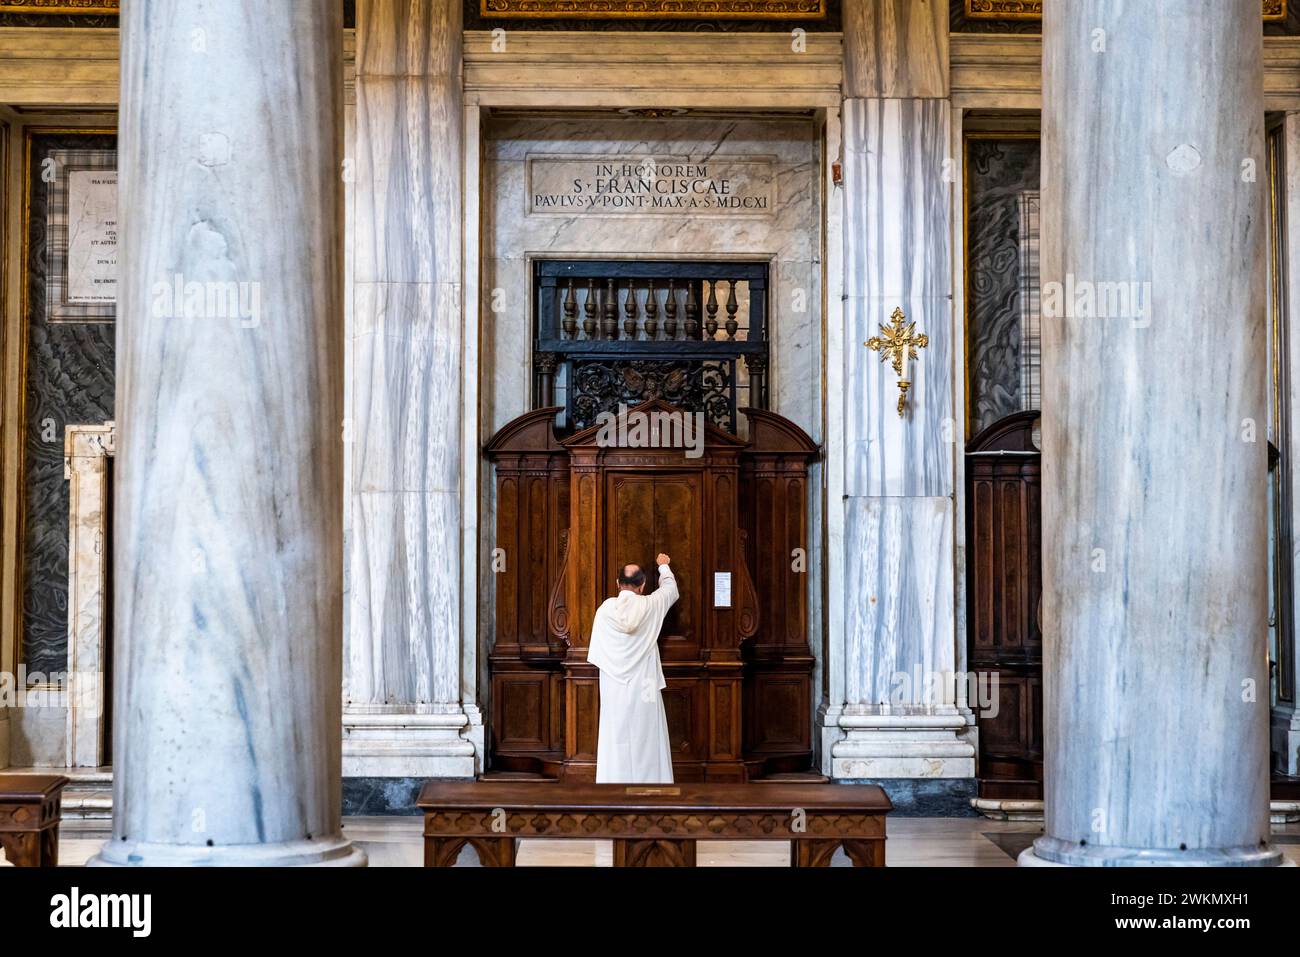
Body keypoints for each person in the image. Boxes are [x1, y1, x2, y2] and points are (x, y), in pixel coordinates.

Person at [587, 553, 678, 783]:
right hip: (644, 686)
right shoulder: (650, 604)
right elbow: (670, 590)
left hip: (614, 687)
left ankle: (613, 788)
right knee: (647, 737)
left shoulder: (605, 611)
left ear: (618, 584)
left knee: (615, 736)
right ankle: (651, 790)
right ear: (643, 585)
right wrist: (664, 567)